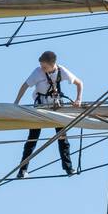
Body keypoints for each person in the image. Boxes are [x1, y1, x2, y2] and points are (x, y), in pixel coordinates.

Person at [14, 50, 82, 178]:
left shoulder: (62, 71)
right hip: (40, 107)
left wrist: (78, 99)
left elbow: (79, 83)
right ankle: (22, 170)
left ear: (52, 64)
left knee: (63, 139)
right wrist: (16, 102)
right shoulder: (37, 72)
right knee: (32, 139)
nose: (42, 68)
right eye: (41, 65)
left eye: (44, 66)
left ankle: (68, 168)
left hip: (56, 108)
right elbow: (25, 86)